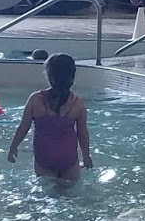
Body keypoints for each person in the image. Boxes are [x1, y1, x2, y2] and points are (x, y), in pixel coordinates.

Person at [8, 54, 91, 184]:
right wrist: (86, 156)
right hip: (69, 159)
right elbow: (83, 134)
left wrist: (13, 148)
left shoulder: (35, 100)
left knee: (48, 194)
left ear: (48, 75)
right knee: (70, 196)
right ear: (72, 76)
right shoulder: (77, 104)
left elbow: (23, 127)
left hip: (44, 158)